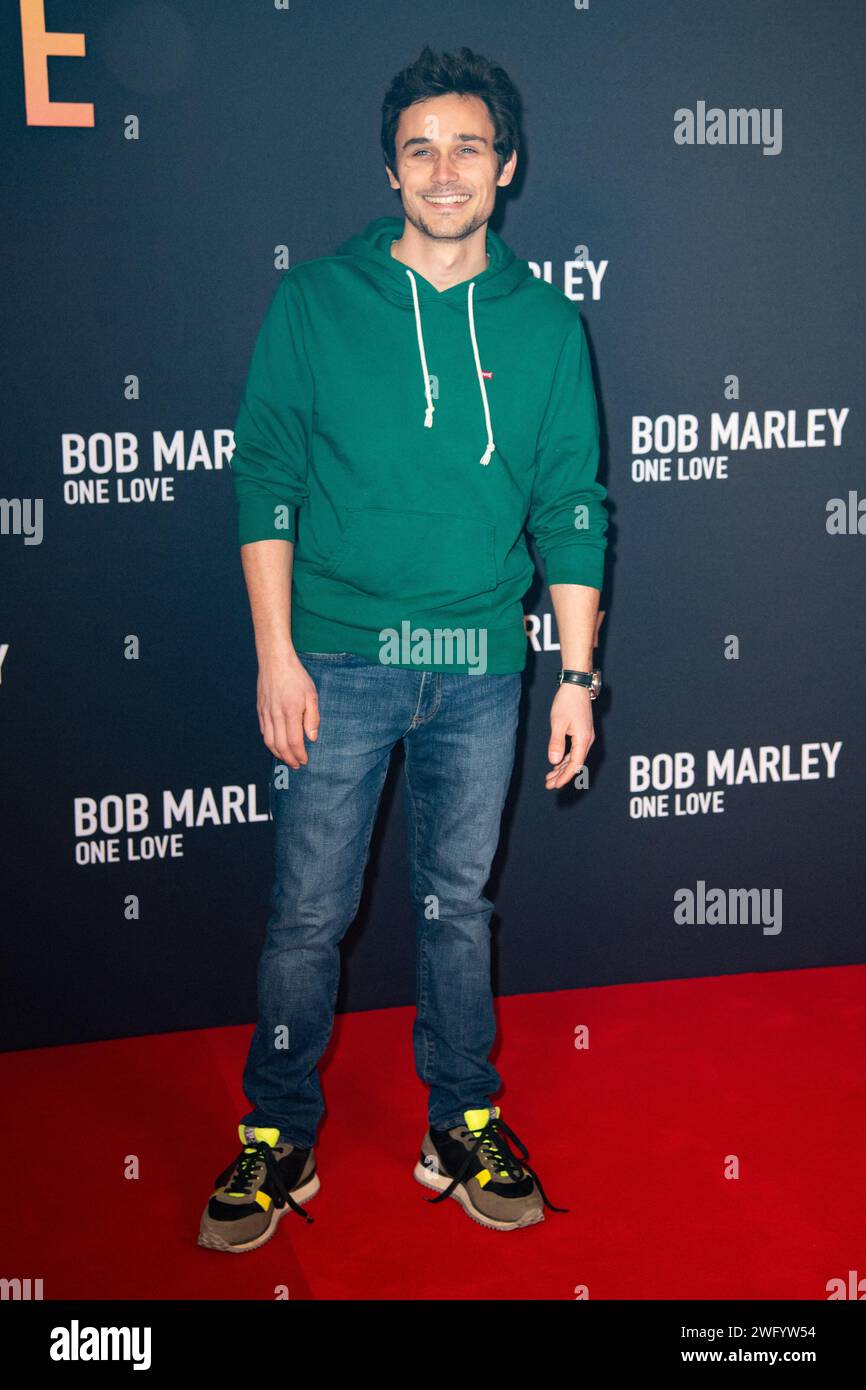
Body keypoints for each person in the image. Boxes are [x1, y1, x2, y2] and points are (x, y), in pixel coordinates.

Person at [198, 44, 608, 1253]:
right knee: (306, 919)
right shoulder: (316, 302)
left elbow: (570, 504)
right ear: (389, 169)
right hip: (335, 659)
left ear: (507, 167)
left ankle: (463, 1118)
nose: (444, 170)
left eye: (467, 147)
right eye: (420, 148)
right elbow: (263, 479)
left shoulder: (542, 325)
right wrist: (276, 654)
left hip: (483, 667)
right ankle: (276, 1133)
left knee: (456, 911)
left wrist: (574, 676)